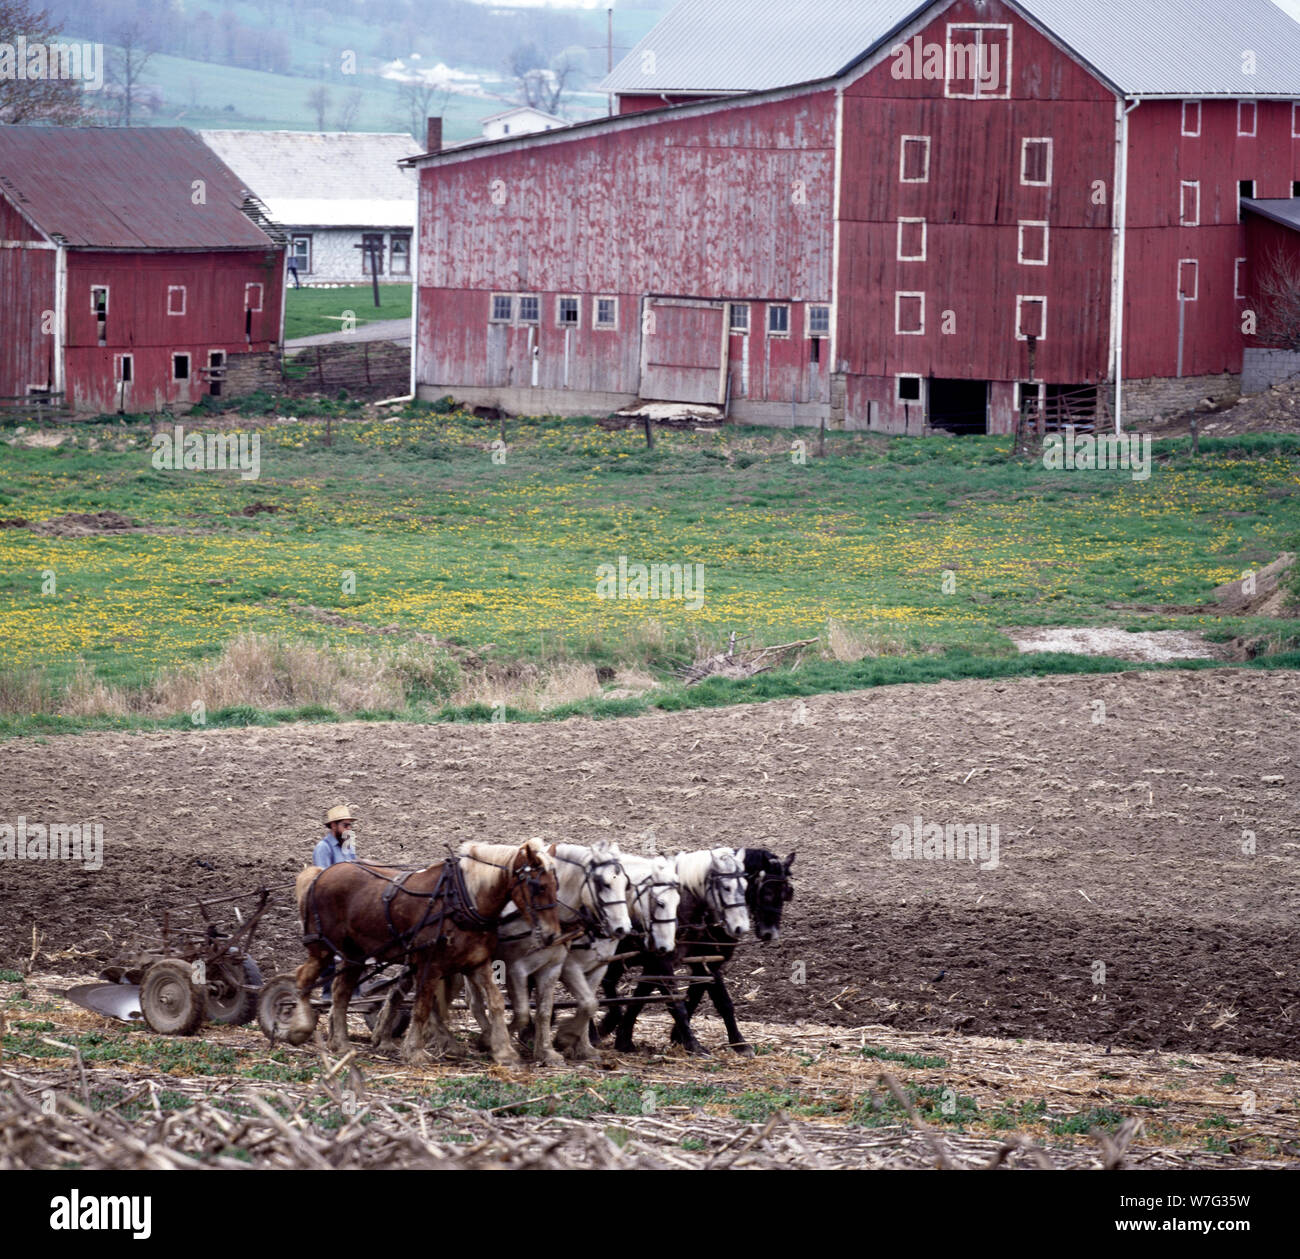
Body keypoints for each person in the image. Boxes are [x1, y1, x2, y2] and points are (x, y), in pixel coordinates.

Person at [312, 805, 360, 1002]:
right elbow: (323, 880)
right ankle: (327, 992)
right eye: (345, 825)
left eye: (350, 825)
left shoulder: (348, 843)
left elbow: (355, 868)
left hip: (349, 904)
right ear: (333, 826)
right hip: (331, 906)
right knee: (329, 949)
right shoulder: (323, 848)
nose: (349, 829)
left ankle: (354, 991)